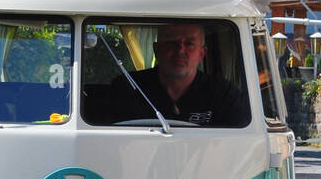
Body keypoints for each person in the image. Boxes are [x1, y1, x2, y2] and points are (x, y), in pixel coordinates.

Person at [107, 23, 249, 126]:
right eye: (171, 43)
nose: (180, 50)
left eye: (189, 43)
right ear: (156, 50)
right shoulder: (126, 88)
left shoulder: (224, 94)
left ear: (202, 54)